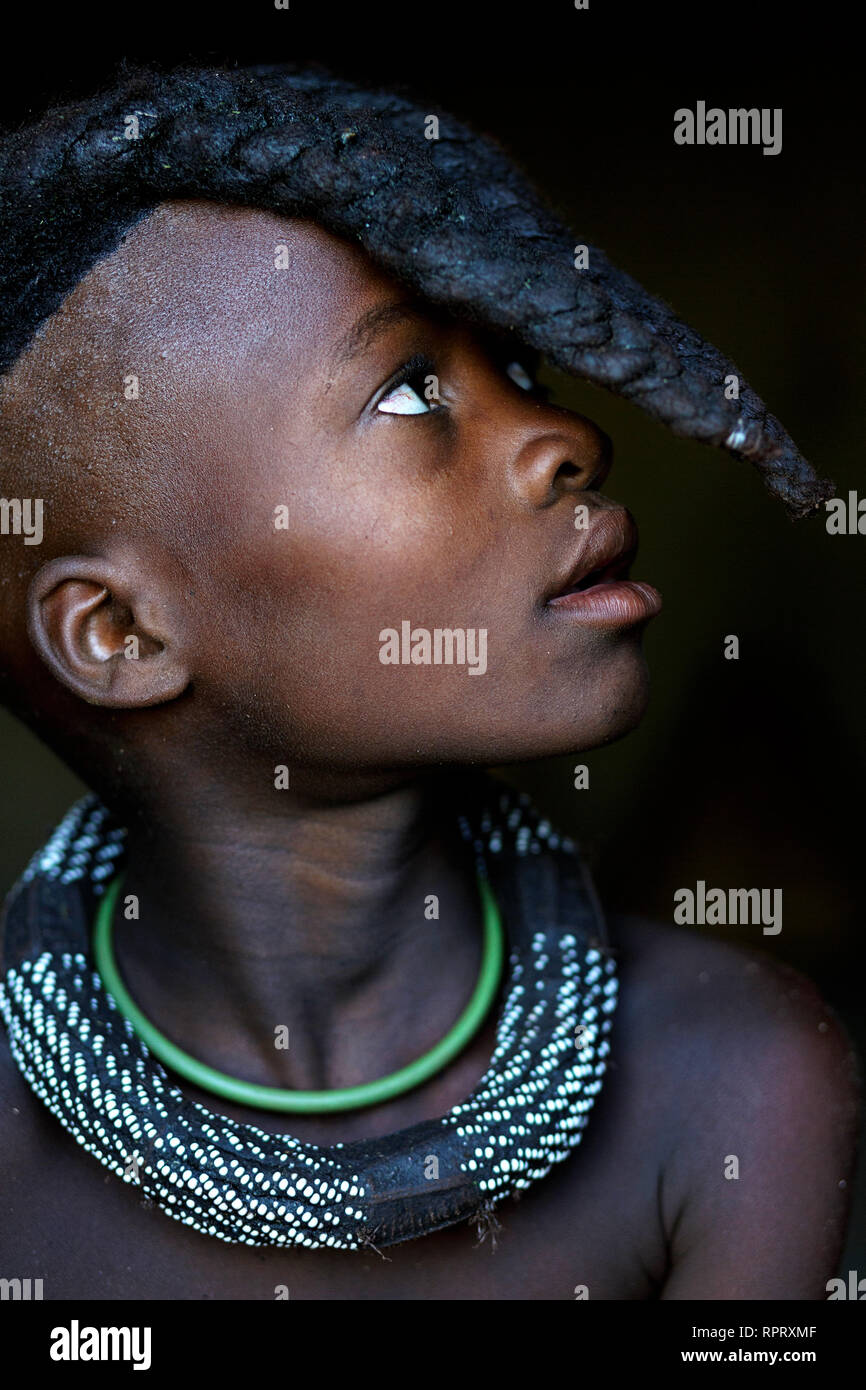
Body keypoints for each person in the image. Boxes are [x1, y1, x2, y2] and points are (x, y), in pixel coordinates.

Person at [0, 64, 858, 1299]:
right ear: (119, 635)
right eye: (409, 390)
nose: (563, 438)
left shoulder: (732, 1075)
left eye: (516, 366)